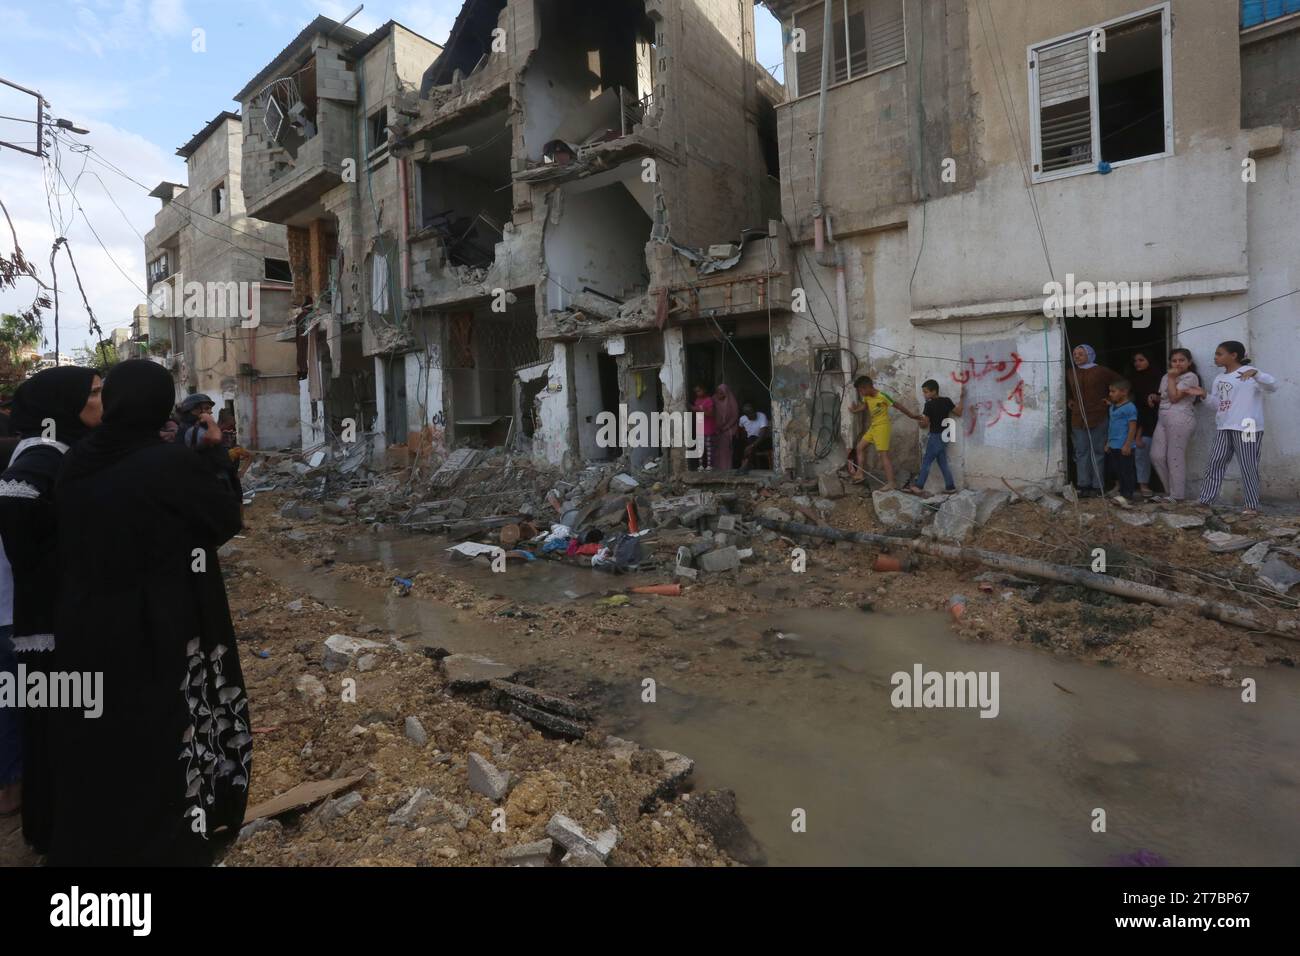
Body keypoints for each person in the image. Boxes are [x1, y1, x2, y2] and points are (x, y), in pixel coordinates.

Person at [49, 360, 248, 866]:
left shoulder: (76, 460)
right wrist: (215, 455)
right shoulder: (167, 464)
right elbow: (224, 519)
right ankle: (169, 843)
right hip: (161, 620)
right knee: (165, 731)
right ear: (160, 406)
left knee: (102, 732)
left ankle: (95, 839)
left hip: (88, 620)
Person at [0, 366, 102, 848]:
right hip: (40, 622)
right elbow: (21, 524)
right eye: (96, 394)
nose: (103, 402)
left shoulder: (63, 450)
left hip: (47, 617)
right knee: (49, 723)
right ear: (61, 407)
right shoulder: (42, 458)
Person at [1196, 341, 1276, 518]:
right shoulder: (1219, 378)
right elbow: (1218, 405)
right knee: (1215, 462)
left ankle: (1251, 506)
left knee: (1249, 466)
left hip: (1248, 426)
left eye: (1219, 354)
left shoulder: (1250, 373)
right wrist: (1204, 396)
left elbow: (1273, 386)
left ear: (1233, 355)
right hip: (1224, 426)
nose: (1215, 357)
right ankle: (1205, 500)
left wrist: (1257, 374)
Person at [847, 375, 922, 490]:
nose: (860, 393)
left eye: (861, 390)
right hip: (873, 427)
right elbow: (865, 406)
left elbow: (899, 406)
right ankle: (860, 474)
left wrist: (912, 416)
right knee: (859, 447)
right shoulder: (867, 397)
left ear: (867, 387)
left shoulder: (882, 396)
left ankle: (891, 482)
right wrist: (855, 410)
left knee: (883, 455)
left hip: (883, 427)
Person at [1148, 348, 1203, 503]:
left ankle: (1177, 495)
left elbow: (1174, 398)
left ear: (1189, 362)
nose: (1177, 363)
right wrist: (1155, 397)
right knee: (1156, 456)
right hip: (1164, 417)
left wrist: (1172, 378)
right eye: (1174, 360)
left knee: (1175, 457)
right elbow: (1165, 398)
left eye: (1181, 360)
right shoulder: (1166, 376)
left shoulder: (1190, 377)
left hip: (1180, 418)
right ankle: (1170, 493)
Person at [1067, 344, 1118, 497]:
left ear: (1090, 355)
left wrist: (1110, 399)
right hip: (1078, 418)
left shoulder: (1101, 371)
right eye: (1075, 354)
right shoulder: (1070, 372)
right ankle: (1083, 485)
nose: (1076, 356)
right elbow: (1068, 390)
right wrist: (1070, 399)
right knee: (1081, 452)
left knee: (1098, 452)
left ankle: (1098, 486)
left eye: (1080, 354)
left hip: (1098, 416)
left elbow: (1121, 383)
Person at [905, 380, 964, 495]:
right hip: (946, 435)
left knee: (927, 461)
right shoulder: (946, 401)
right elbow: (959, 412)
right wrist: (962, 398)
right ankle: (950, 487)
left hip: (936, 436)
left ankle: (918, 486)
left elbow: (925, 424)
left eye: (926, 392)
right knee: (942, 462)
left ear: (934, 391)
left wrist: (919, 422)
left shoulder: (929, 405)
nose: (924, 395)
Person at [1127, 351, 1164, 498]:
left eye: (1141, 360)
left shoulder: (1160, 379)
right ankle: (1143, 485)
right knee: (1141, 453)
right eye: (1135, 361)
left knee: (1160, 456)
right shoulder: (1134, 381)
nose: (1137, 363)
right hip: (1140, 422)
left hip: (1158, 421)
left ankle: (1163, 486)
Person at [1103, 378, 1139, 503]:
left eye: (1113, 391)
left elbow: (1132, 427)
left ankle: (1128, 495)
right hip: (1114, 445)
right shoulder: (1112, 407)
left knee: (1126, 471)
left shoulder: (1130, 408)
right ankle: (1122, 492)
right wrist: (1108, 442)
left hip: (1124, 445)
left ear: (1124, 392)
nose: (1110, 394)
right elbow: (1111, 426)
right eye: (1110, 391)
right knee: (1117, 470)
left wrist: (1128, 444)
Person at [711, 384, 740, 471]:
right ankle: (716, 469)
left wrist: (724, 428)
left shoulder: (731, 401)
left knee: (726, 451)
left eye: (722, 393)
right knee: (715, 451)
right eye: (718, 393)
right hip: (715, 430)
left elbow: (735, 416)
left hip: (728, 430)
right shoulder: (713, 400)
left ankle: (726, 469)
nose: (719, 395)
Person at [737, 402, 772, 471]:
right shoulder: (742, 419)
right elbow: (742, 433)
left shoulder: (762, 416)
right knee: (741, 443)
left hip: (763, 441)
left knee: (752, 438)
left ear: (755, 410)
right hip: (750, 442)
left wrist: (751, 445)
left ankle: (746, 464)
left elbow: (763, 435)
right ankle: (748, 464)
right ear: (745, 415)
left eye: (752, 412)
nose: (751, 414)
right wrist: (747, 444)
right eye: (748, 413)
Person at [691, 384, 715, 470]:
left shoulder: (709, 400)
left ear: (704, 390)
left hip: (708, 426)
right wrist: (694, 410)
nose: (698, 393)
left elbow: (711, 413)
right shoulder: (697, 400)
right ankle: (700, 465)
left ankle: (709, 465)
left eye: (699, 391)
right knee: (700, 447)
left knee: (708, 447)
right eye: (696, 391)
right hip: (700, 425)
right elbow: (695, 413)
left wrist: (699, 410)